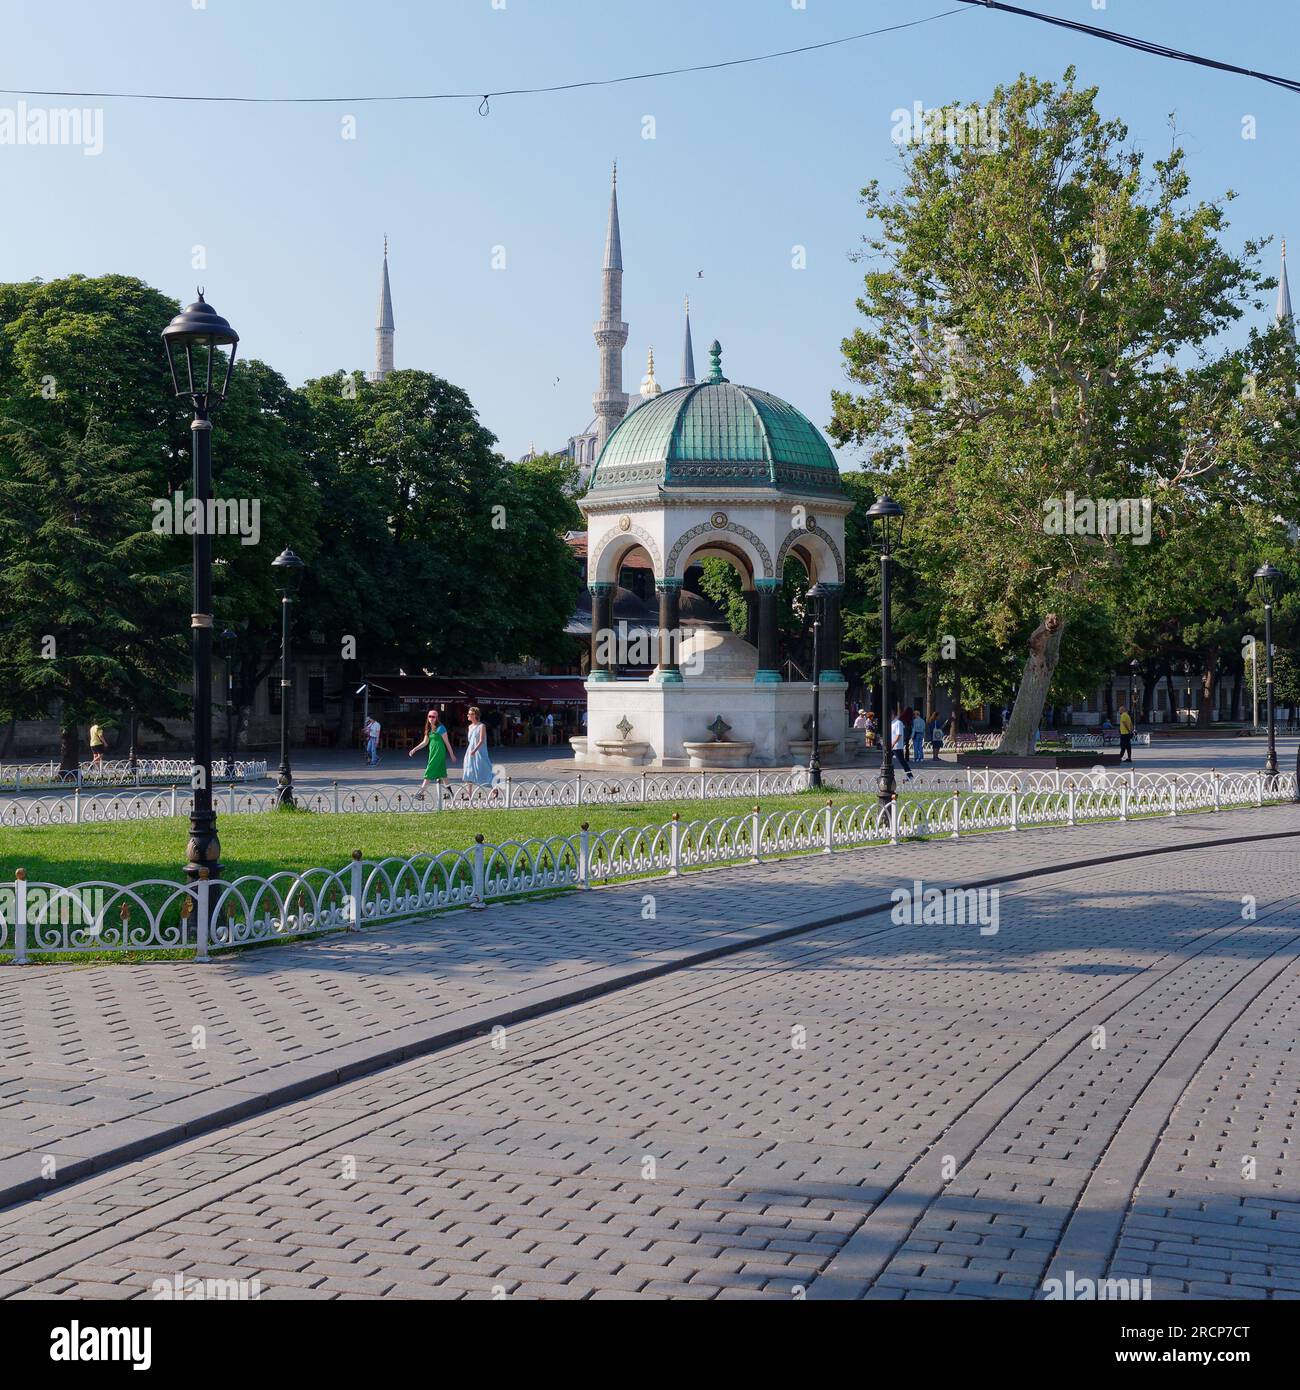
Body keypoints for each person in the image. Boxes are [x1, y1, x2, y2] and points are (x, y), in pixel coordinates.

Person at [407, 708, 455, 800]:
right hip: (432, 752)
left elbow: (447, 742)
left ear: (437, 718)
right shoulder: (429, 728)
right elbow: (425, 742)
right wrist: (415, 749)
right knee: (443, 774)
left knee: (428, 772)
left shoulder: (441, 728)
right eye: (430, 716)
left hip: (439, 752)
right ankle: (451, 794)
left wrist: (452, 755)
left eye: (433, 716)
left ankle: (420, 794)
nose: (431, 718)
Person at [462, 705, 497, 798]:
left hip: (480, 751)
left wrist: (475, 750)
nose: (468, 715)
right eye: (468, 714)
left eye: (470, 714)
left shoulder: (482, 726)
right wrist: (471, 750)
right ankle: (469, 794)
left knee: (484, 769)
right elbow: (470, 740)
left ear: (475, 715)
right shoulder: (470, 727)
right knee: (469, 770)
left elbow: (481, 740)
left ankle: (494, 787)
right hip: (470, 751)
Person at [890, 707, 912, 779]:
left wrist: (893, 743)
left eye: (890, 715)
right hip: (891, 746)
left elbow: (899, 735)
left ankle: (910, 776)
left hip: (896, 746)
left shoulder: (898, 723)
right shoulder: (891, 723)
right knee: (886, 761)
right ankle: (887, 775)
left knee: (902, 761)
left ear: (894, 715)